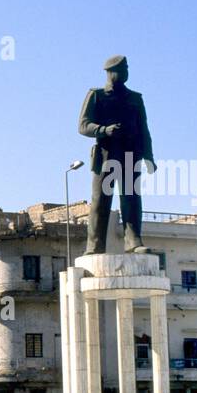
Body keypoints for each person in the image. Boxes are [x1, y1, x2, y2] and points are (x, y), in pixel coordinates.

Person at [78, 55, 155, 254]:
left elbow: (144, 130)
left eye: (127, 69)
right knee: (101, 200)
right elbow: (83, 125)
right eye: (123, 70)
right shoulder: (97, 95)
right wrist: (104, 130)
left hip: (131, 154)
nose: (126, 73)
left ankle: (133, 242)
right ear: (111, 72)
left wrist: (149, 156)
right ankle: (94, 246)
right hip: (106, 155)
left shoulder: (135, 98)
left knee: (131, 198)